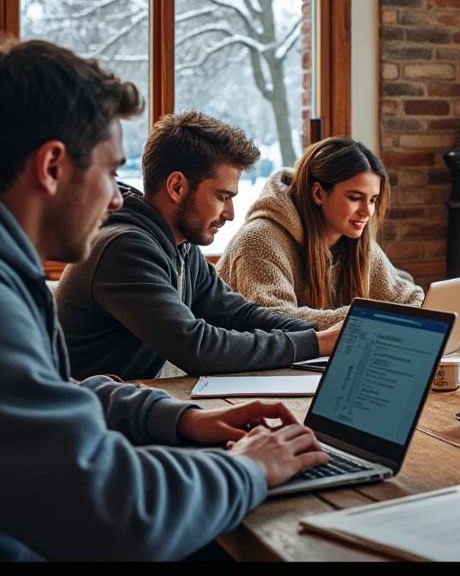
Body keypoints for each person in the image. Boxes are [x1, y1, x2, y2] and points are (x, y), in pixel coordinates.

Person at [0, 39, 328, 560]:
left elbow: (42, 393)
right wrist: (250, 468)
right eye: (109, 171)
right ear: (51, 166)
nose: (118, 197)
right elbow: (119, 515)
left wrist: (176, 419)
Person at [57, 111, 339, 381]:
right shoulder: (124, 249)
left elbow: (238, 314)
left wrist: (324, 334)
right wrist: (315, 343)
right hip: (86, 419)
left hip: (127, 405)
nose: (229, 213)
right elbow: (197, 348)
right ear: (177, 187)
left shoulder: (180, 246)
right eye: (221, 196)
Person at [218, 136, 422, 329]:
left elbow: (408, 298)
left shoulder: (355, 241)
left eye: (372, 200)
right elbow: (274, 318)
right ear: (318, 193)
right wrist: (364, 316)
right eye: (354, 197)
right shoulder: (259, 239)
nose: (367, 211)